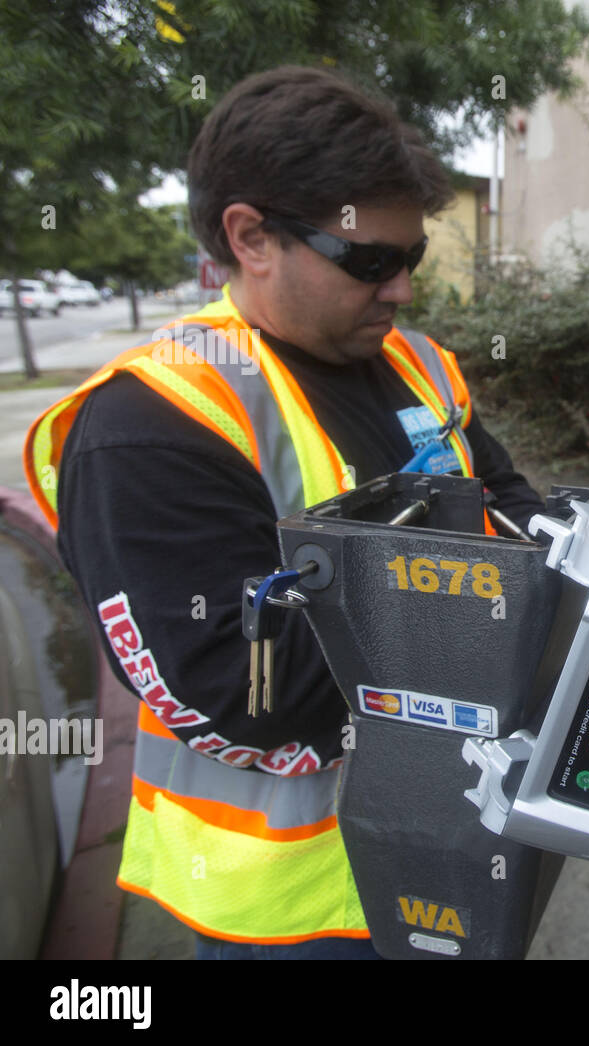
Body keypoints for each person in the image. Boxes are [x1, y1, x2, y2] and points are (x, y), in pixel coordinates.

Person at [23, 66, 544, 959]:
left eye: (409, 258)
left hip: (462, 845)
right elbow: (246, 696)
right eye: (372, 262)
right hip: (292, 911)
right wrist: (504, 608)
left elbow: (517, 512)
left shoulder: (420, 365)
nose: (402, 291)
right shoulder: (148, 425)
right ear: (252, 237)